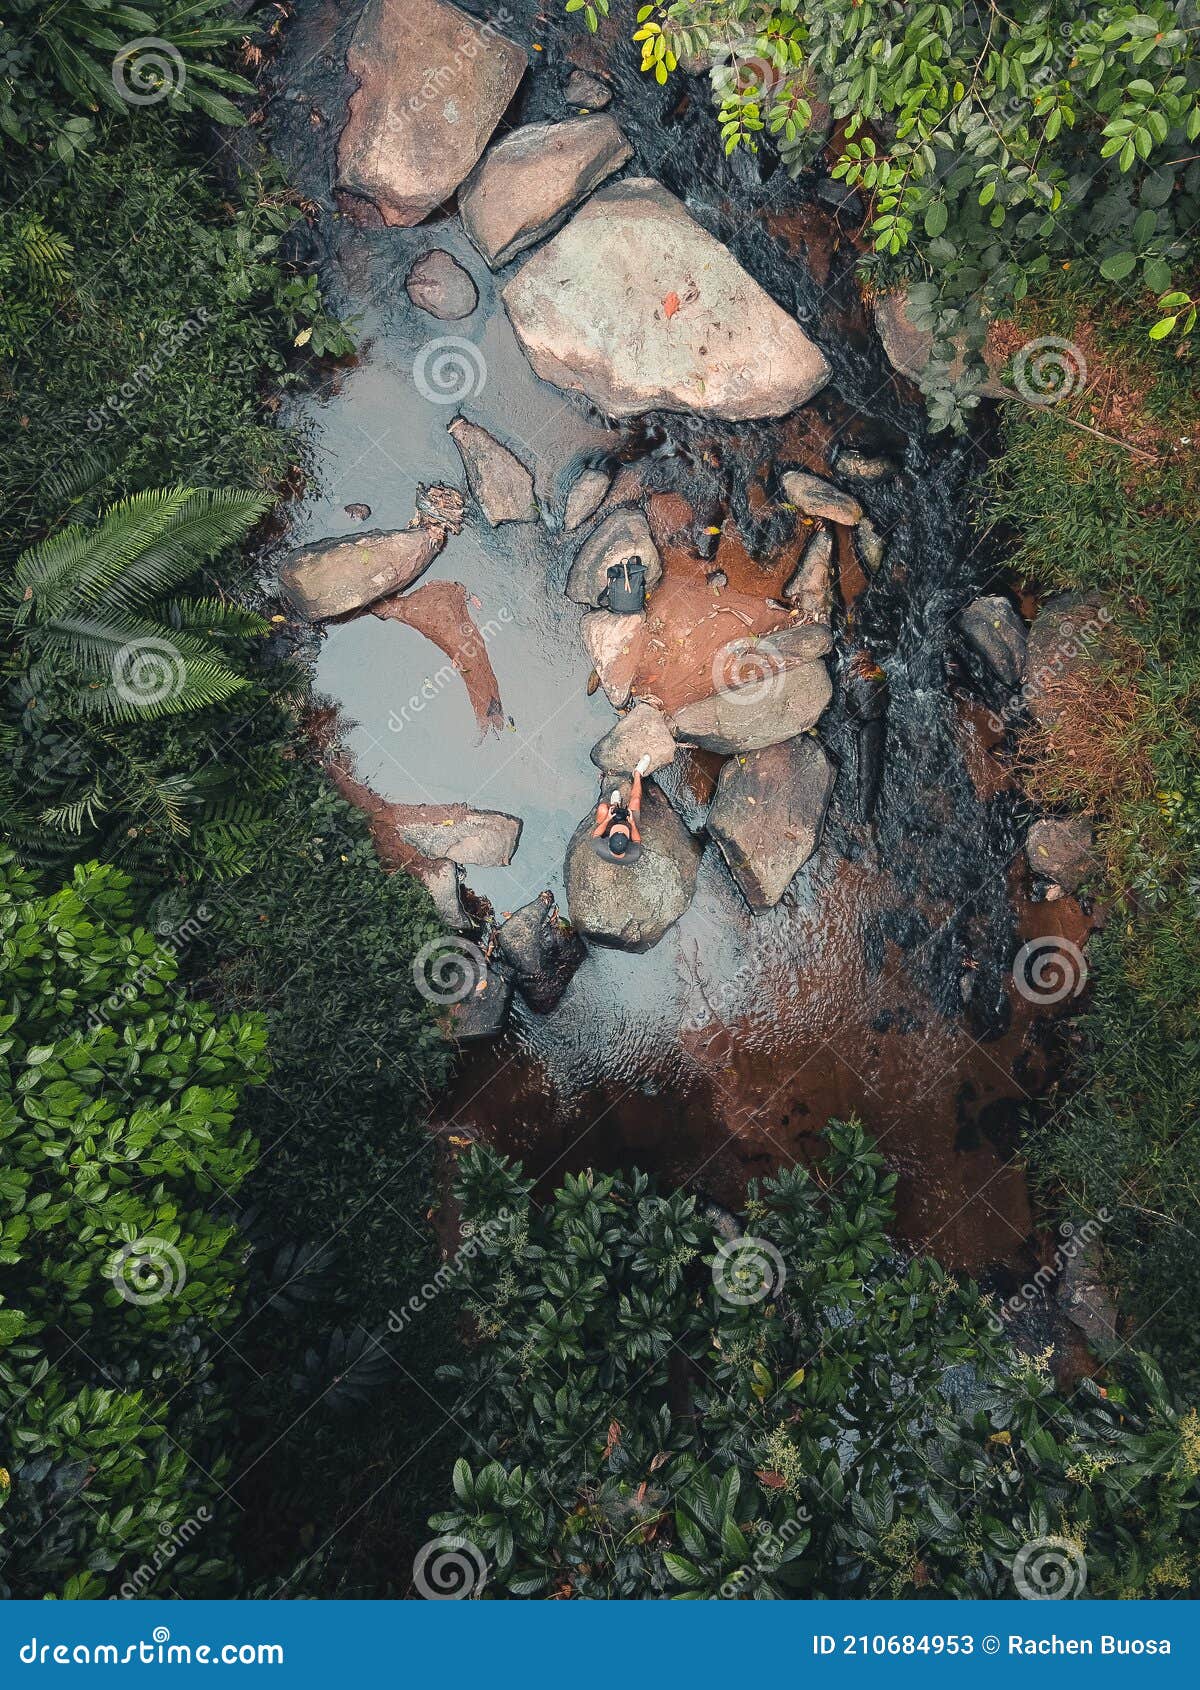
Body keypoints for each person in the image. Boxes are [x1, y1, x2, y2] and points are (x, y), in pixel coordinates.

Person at [591, 754, 651, 864]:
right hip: (630, 824)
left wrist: (608, 819)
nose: (620, 827)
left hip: (608, 826)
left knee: (603, 808)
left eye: (616, 830)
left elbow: (596, 834)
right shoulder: (635, 853)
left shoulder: (599, 846)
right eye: (623, 831)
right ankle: (637, 773)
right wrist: (632, 824)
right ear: (628, 844)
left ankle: (615, 804)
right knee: (636, 800)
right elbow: (637, 840)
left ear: (608, 842)